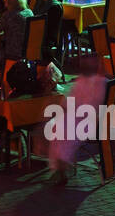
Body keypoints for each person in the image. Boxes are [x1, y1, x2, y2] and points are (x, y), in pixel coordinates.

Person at [46, 53, 108, 186]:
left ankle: (61, 167)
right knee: (57, 126)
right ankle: (60, 167)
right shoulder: (83, 81)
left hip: (92, 122)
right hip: (81, 118)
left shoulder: (100, 83)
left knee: (65, 129)